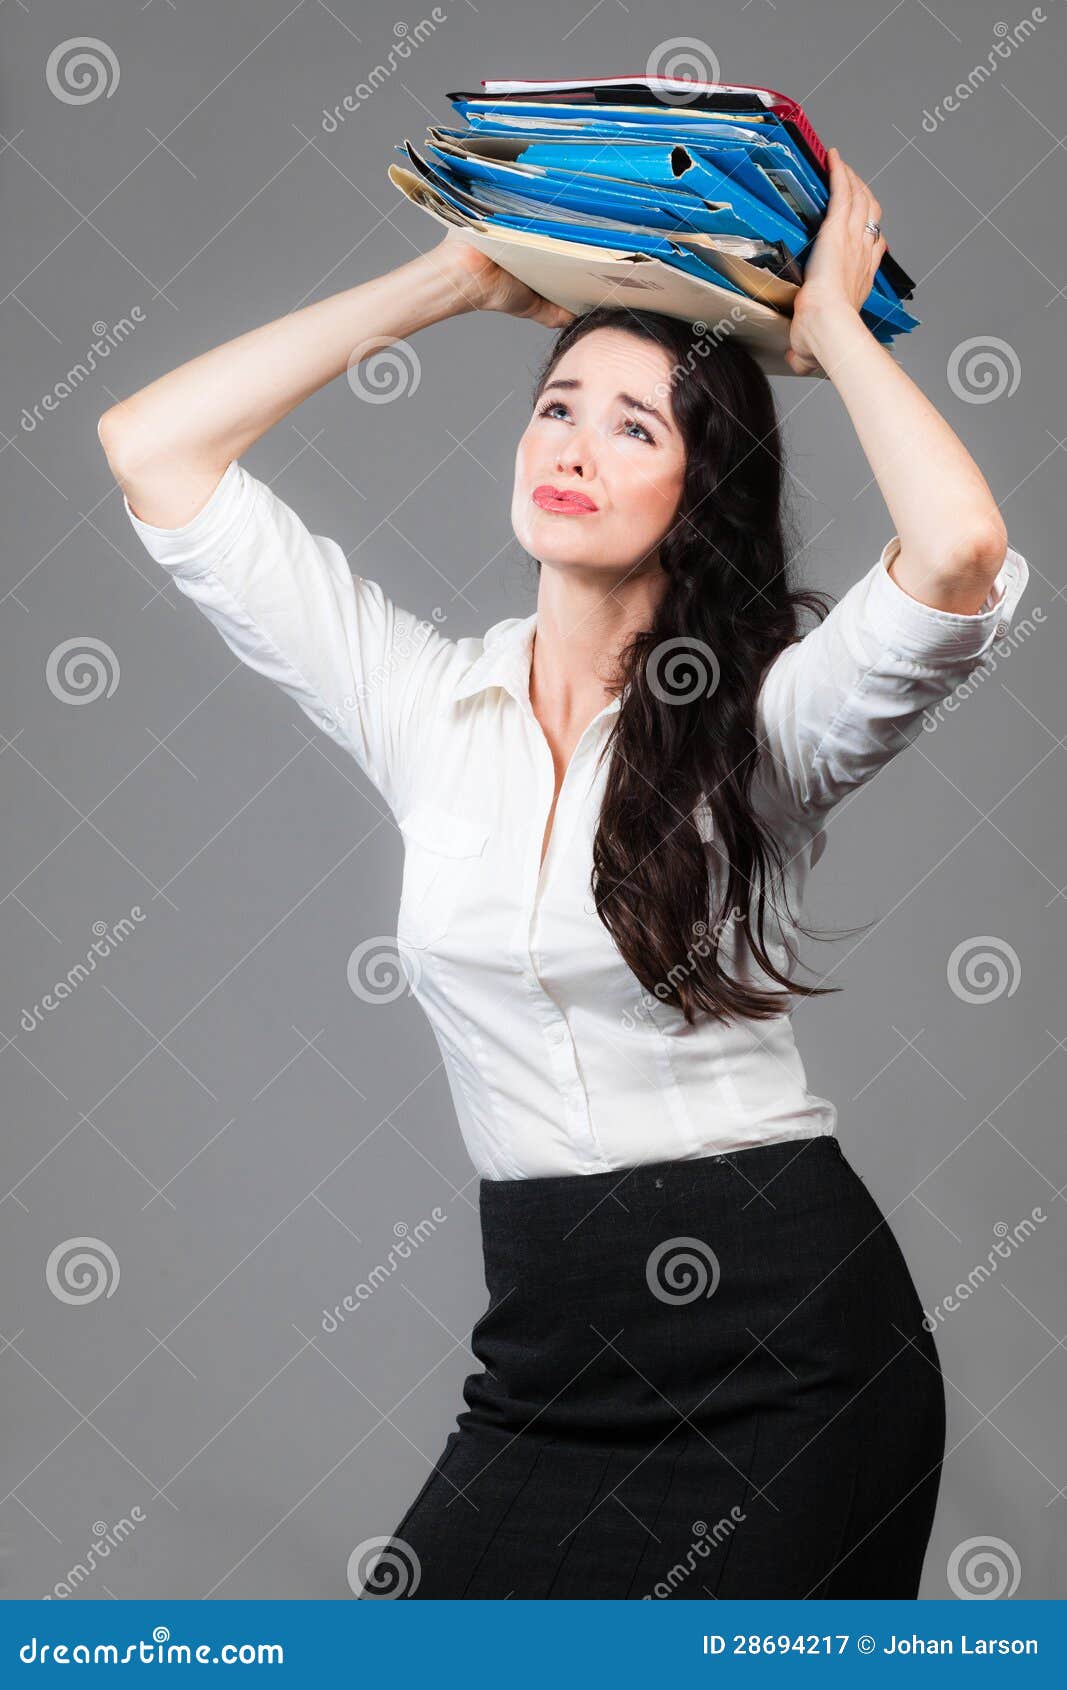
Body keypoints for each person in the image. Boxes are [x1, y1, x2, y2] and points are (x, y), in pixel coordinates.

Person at [98, 147, 1030, 1598]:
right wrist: (454, 282)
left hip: (791, 1355)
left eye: (634, 427)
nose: (573, 447)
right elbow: (154, 446)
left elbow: (963, 547)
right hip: (544, 1352)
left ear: (701, 484)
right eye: (555, 407)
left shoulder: (771, 725)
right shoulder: (423, 708)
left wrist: (835, 326)